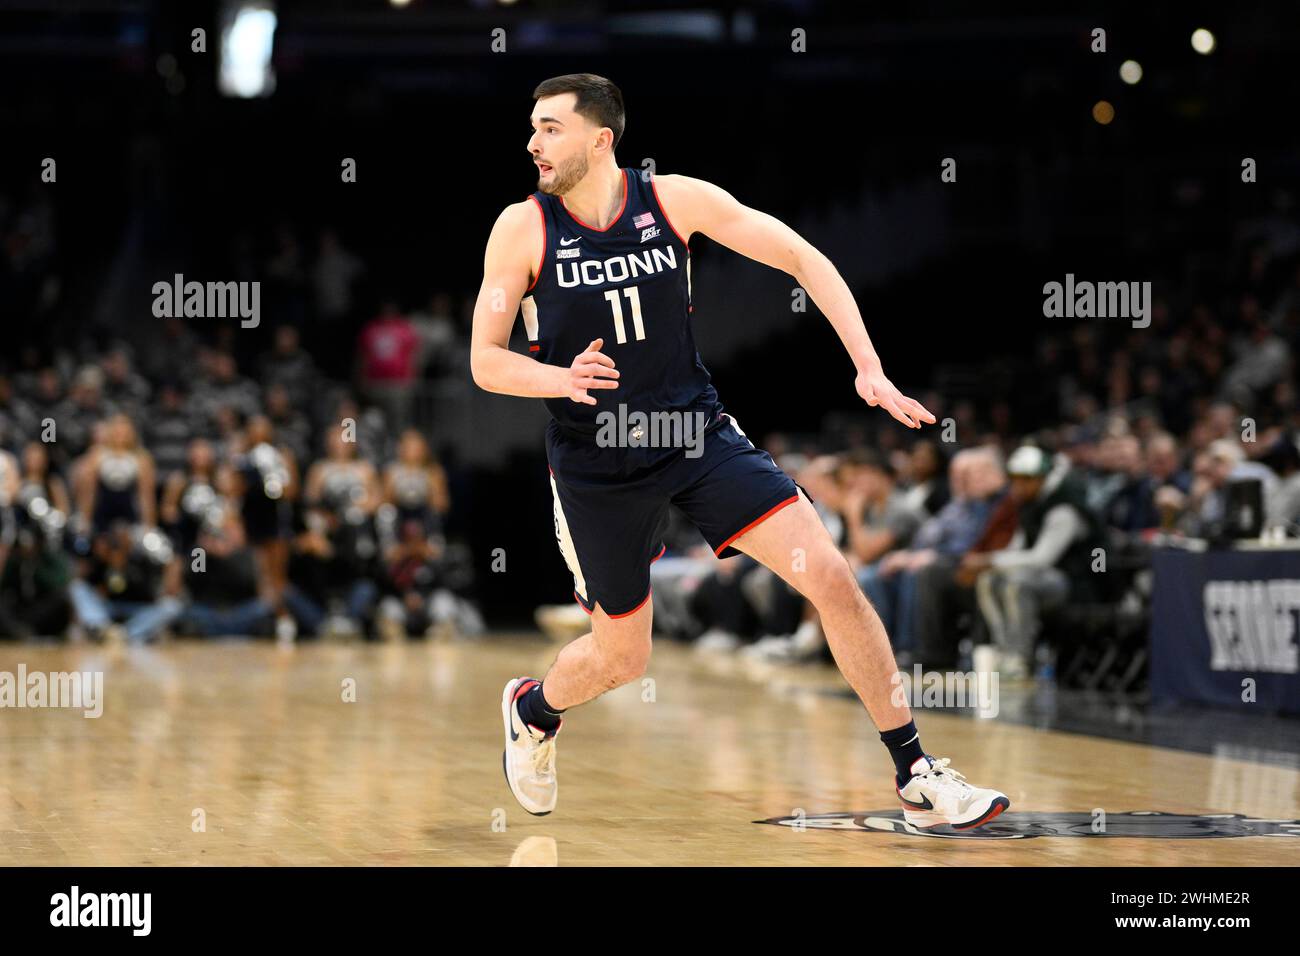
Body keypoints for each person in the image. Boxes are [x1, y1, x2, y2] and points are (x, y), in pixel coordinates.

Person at [470, 73, 1008, 827]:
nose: (533, 142)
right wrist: (558, 376)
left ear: (601, 139)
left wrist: (869, 366)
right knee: (624, 658)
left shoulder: (674, 200)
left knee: (829, 573)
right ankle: (533, 709)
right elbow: (485, 361)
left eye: (551, 128)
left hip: (694, 433)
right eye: (532, 127)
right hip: (596, 461)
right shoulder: (520, 228)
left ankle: (915, 769)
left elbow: (803, 258)